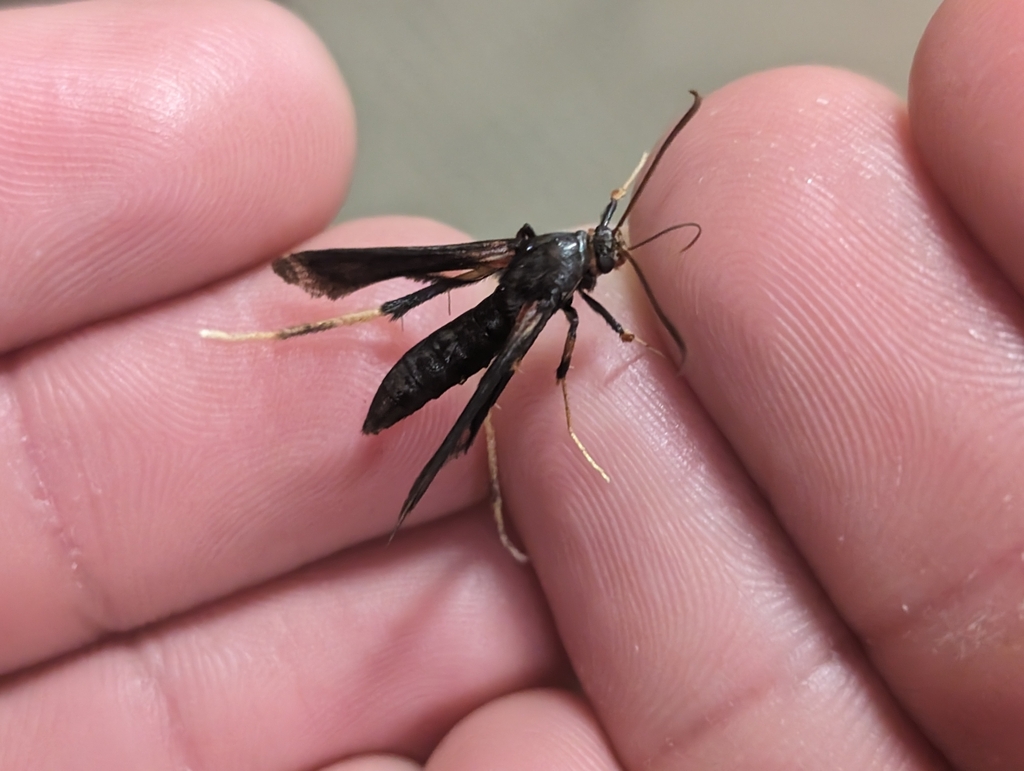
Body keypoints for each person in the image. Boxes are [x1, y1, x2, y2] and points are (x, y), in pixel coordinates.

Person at [0, 1, 1018, 769]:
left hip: (494, 318)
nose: (610, 254)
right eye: (607, 256)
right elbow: (593, 297)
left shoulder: (560, 270)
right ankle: (315, 331)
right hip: (490, 322)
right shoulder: (567, 295)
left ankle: (339, 344)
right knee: (432, 327)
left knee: (452, 355)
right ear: (594, 263)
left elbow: (605, 225)